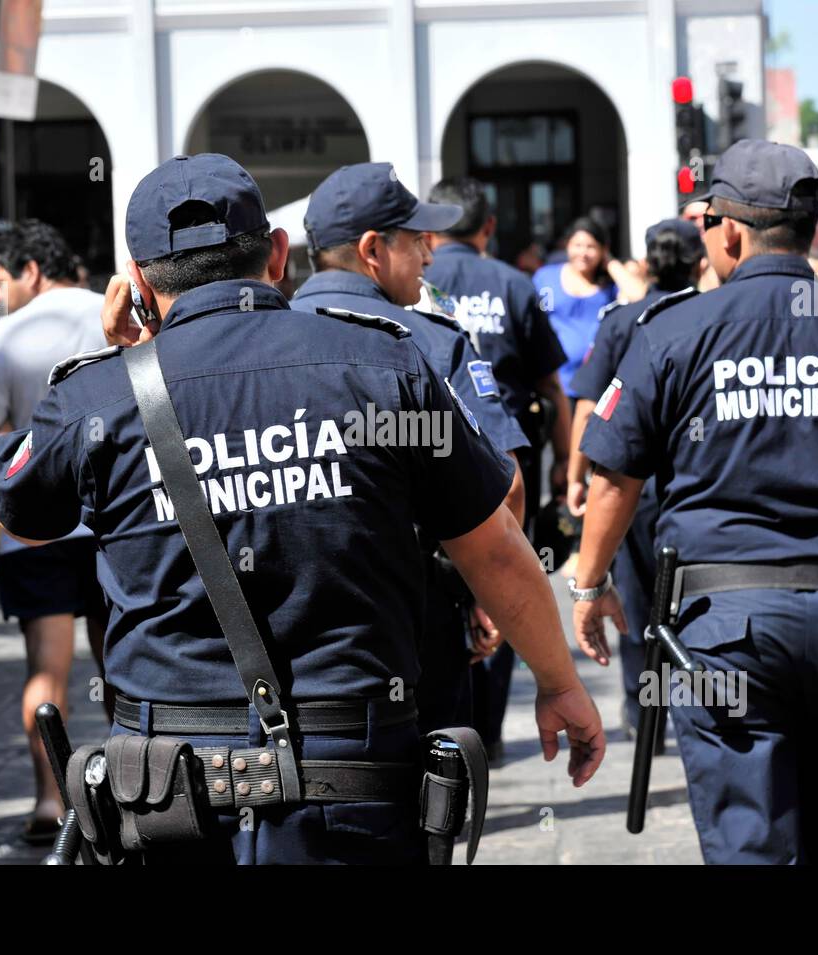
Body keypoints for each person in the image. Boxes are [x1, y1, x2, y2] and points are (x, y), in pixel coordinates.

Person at [13, 153, 605, 864]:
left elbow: (22, 505)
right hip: (355, 785)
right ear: (276, 254)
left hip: (169, 798)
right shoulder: (384, 366)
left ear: (137, 280)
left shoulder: (98, 399)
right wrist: (559, 682)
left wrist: (127, 365)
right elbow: (496, 549)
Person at [570, 139, 818, 864]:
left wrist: (589, 585)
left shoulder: (671, 333)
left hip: (724, 632)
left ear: (728, 231)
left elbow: (613, 478)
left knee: (752, 848)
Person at [288, 163, 530, 736]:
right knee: (426, 807)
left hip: (282, 631)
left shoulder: (257, 340)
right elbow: (506, 488)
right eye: (419, 240)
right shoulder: (428, 340)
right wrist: (484, 595)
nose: (430, 256)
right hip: (415, 620)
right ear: (373, 249)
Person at [0, 219, 115, 842]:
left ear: (29, 270)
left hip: (34, 533)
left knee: (45, 675)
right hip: (116, 524)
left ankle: (48, 804)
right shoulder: (111, 312)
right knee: (124, 670)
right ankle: (139, 789)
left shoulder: (1, 341)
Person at [422, 176, 571, 758]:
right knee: (506, 581)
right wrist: (562, 466)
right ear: (488, 228)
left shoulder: (413, 284)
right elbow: (551, 385)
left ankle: (449, 731)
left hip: (429, 467)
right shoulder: (514, 284)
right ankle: (489, 730)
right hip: (508, 470)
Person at [565, 218, 704, 732]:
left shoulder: (621, 320)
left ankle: (641, 708)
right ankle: (694, 701)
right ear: (700, 261)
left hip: (629, 481)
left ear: (645, 262)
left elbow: (588, 404)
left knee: (634, 599)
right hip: (689, 483)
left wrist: (577, 472)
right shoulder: (704, 317)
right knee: (690, 596)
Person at [531, 218, 618, 400]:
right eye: (577, 245)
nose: (583, 253)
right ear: (567, 245)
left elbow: (638, 296)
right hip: (555, 384)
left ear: (603, 249)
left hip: (596, 384)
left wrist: (610, 262)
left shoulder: (611, 286)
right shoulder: (545, 277)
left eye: (591, 247)